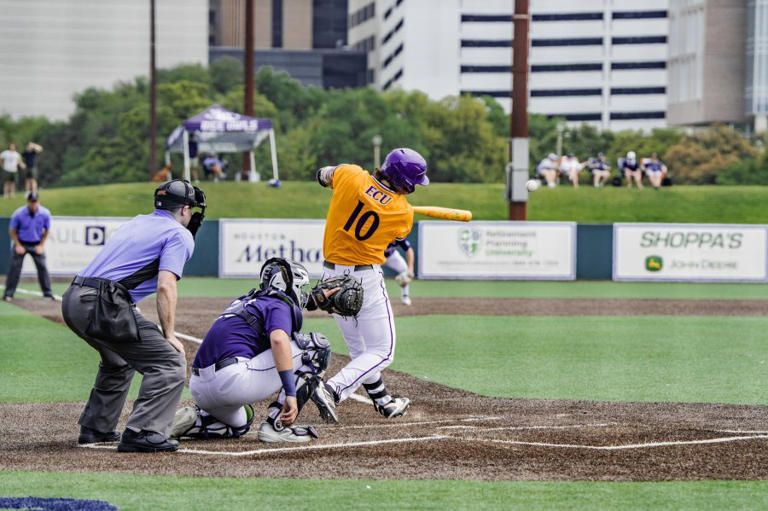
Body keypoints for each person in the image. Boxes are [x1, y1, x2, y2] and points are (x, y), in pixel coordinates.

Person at [61, 179, 206, 453]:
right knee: (169, 361)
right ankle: (144, 431)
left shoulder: (137, 221)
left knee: (119, 360)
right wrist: (170, 334)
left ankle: (96, 427)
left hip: (73, 297)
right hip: (100, 303)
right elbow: (166, 285)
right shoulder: (178, 234)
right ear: (186, 210)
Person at [169, 258, 356, 443]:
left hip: (199, 388)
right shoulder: (279, 303)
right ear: (286, 285)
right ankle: (277, 426)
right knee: (317, 346)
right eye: (300, 288)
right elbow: (278, 339)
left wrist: (314, 300)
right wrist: (291, 393)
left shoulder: (245, 301)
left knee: (242, 422)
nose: (302, 293)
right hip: (231, 381)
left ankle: (197, 420)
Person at [314, 147, 429, 420]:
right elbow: (391, 237)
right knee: (382, 351)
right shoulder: (403, 214)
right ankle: (331, 389)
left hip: (330, 276)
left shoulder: (351, 174)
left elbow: (322, 176)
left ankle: (384, 401)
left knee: (360, 349)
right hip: (363, 279)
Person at [2, 192, 53, 301]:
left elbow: (47, 230)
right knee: (15, 269)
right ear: (28, 202)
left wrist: (41, 245)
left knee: (42, 268)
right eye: (31, 202)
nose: (33, 204)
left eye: (35, 202)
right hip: (21, 242)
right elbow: (12, 230)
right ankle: (8, 294)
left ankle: (48, 293)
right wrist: (18, 245)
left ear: (38, 202)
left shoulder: (45, 213)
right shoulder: (19, 213)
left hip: (36, 243)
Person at [383, 239, 415, 305]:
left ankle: (405, 296)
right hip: (376, 257)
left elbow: (409, 250)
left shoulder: (398, 235)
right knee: (376, 275)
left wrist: (410, 269)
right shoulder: (380, 233)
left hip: (391, 255)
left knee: (405, 270)